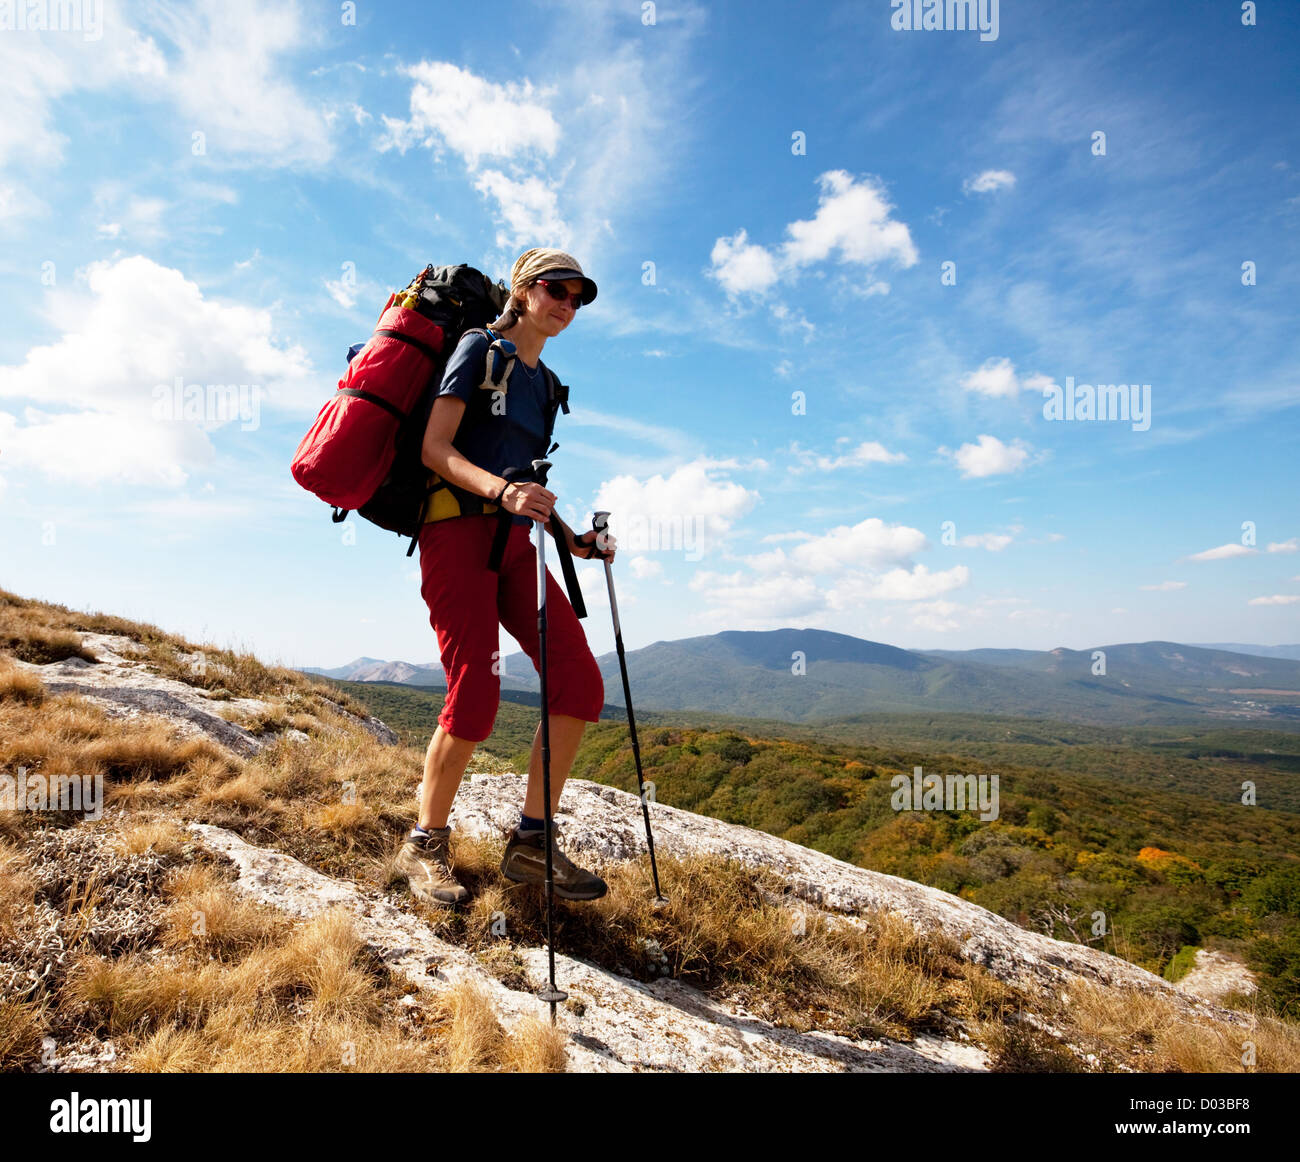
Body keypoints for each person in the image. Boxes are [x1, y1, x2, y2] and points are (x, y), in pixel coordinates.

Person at [394, 248, 616, 908]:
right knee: (477, 697)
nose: (566, 305)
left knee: (579, 683)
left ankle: (531, 843)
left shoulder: (546, 385)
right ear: (523, 291)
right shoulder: (478, 350)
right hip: (456, 535)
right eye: (556, 289)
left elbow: (529, 478)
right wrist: (503, 493)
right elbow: (436, 448)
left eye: (578, 298)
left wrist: (571, 538)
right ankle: (424, 843)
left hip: (520, 546)